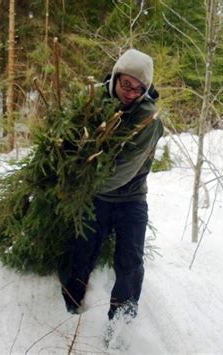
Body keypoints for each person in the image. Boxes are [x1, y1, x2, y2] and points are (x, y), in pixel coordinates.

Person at [59, 48, 164, 320]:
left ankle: (120, 325)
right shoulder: (92, 99)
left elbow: (123, 171)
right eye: (126, 84)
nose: (130, 93)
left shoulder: (148, 119)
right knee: (82, 253)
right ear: (115, 77)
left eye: (138, 88)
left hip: (131, 198)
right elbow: (66, 134)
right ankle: (71, 306)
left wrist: (80, 184)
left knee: (129, 264)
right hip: (97, 199)